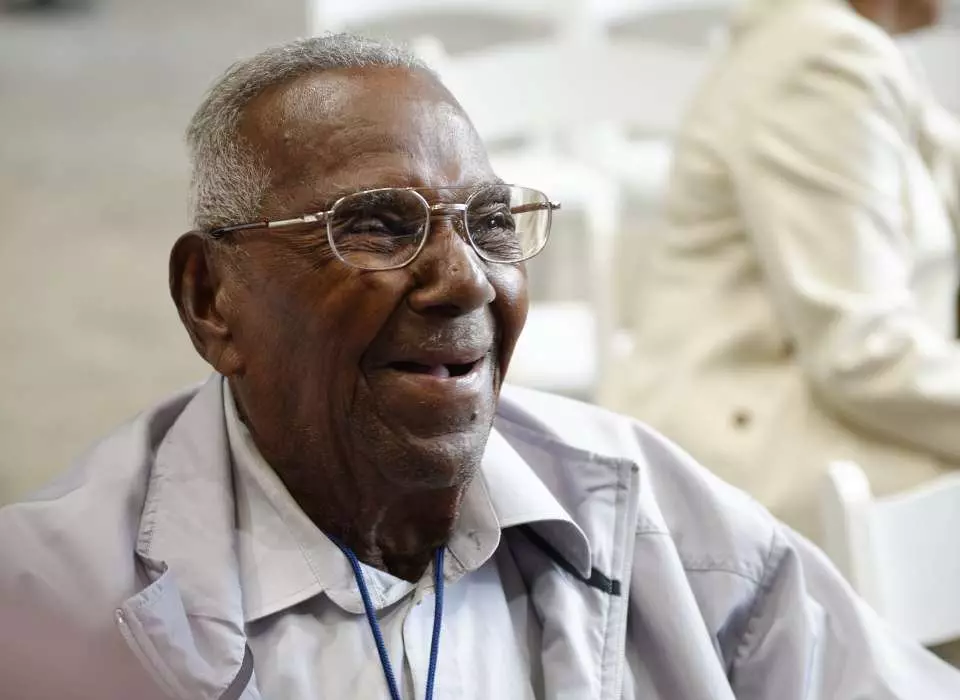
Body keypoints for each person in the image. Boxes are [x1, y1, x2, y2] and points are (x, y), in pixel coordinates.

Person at [1, 34, 958, 700]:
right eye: (376, 225)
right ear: (211, 299)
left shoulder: (648, 515)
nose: (465, 282)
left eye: (493, 223)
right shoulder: (51, 611)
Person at [601, 0, 960, 544]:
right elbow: (860, 350)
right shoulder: (821, 57)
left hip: (799, 422)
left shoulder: (842, 46)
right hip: (754, 453)